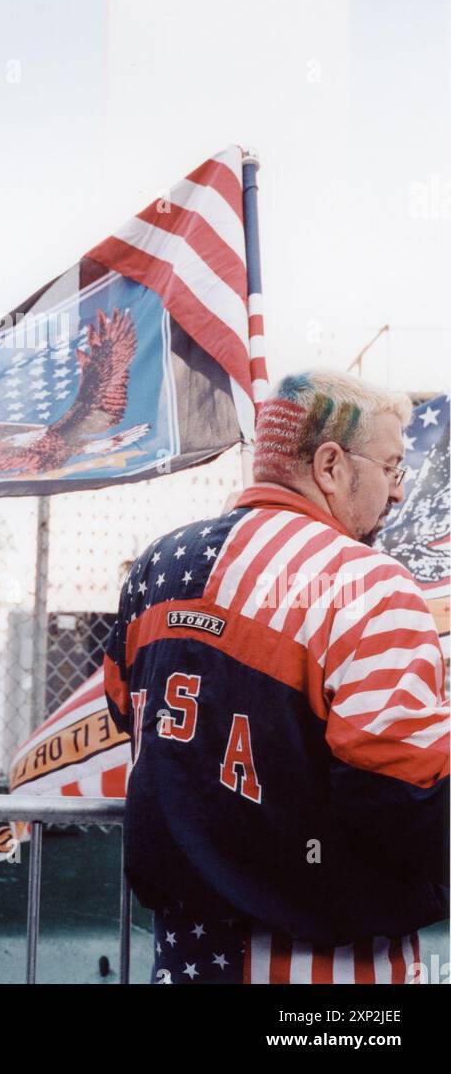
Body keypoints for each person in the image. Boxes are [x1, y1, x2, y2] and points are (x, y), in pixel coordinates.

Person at [104, 369, 449, 985]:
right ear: (330, 465)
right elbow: (405, 798)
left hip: (184, 954)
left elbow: (123, 709)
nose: (398, 494)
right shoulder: (370, 583)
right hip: (329, 968)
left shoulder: (157, 563)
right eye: (394, 468)